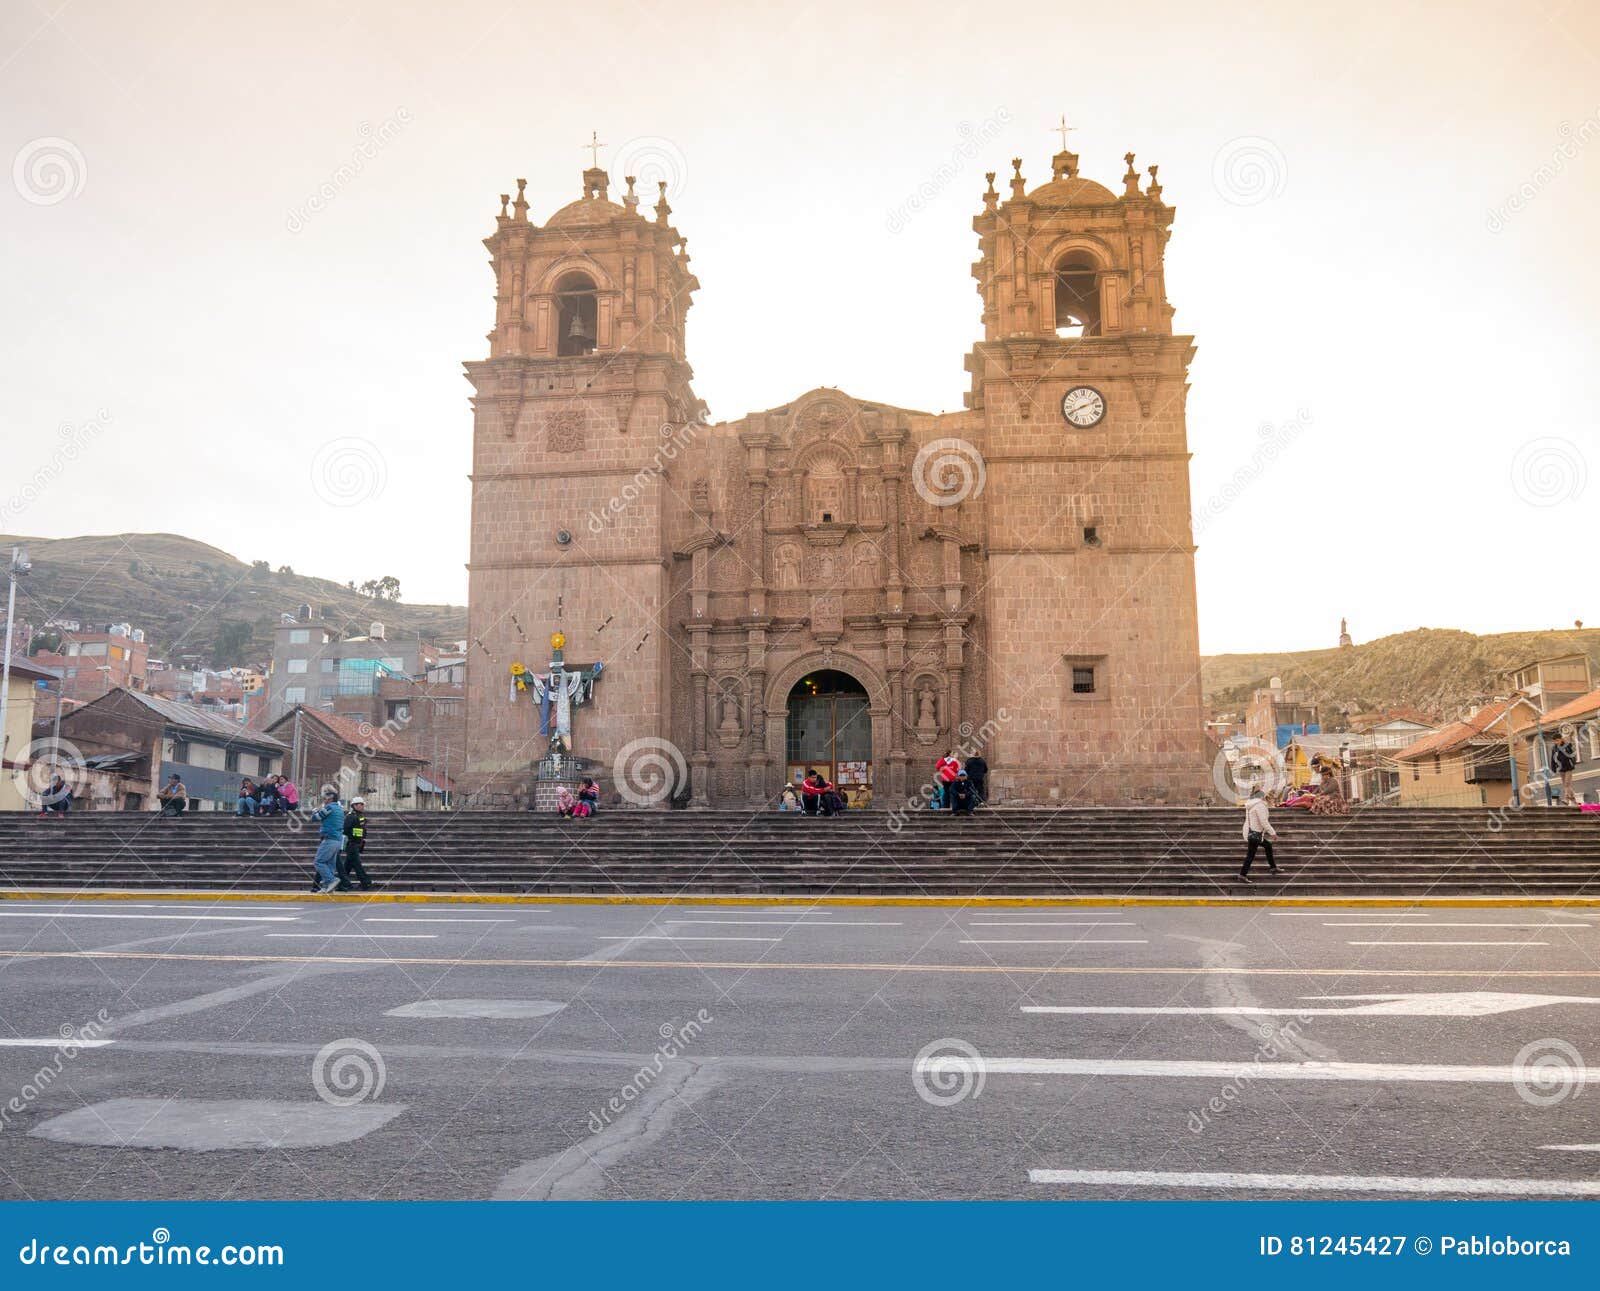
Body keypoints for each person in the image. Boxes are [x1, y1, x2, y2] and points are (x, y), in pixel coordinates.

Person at [1238, 786, 1279, 883]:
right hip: (1255, 834)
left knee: (1267, 846)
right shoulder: (1260, 806)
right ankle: (1242, 875)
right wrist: (1273, 833)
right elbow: (1263, 821)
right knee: (1250, 855)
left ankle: (1273, 867)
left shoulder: (1252, 805)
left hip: (1252, 832)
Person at [309, 788, 344, 893]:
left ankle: (331, 880)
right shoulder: (340, 809)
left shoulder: (329, 807)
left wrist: (315, 811)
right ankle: (326, 887)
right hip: (337, 840)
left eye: (325, 798)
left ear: (330, 799)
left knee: (318, 861)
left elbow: (315, 818)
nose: (324, 800)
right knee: (330, 864)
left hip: (330, 839)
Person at [338, 795, 372, 891]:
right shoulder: (351, 816)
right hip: (351, 844)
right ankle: (366, 882)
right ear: (354, 805)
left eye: (363, 804)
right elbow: (345, 830)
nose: (362, 806)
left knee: (347, 866)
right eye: (361, 804)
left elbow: (362, 830)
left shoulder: (359, 816)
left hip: (357, 844)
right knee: (357, 865)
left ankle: (342, 884)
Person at [1551, 730, 1579, 806]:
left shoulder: (1566, 745)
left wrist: (1573, 762)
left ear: (1561, 739)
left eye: (1557, 740)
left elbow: (1572, 754)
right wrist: (1553, 769)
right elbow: (1552, 759)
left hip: (1569, 767)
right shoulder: (1554, 748)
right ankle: (1574, 801)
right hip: (1561, 769)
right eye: (1555, 741)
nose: (1556, 742)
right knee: (1566, 785)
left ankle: (1566, 799)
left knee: (1567, 783)